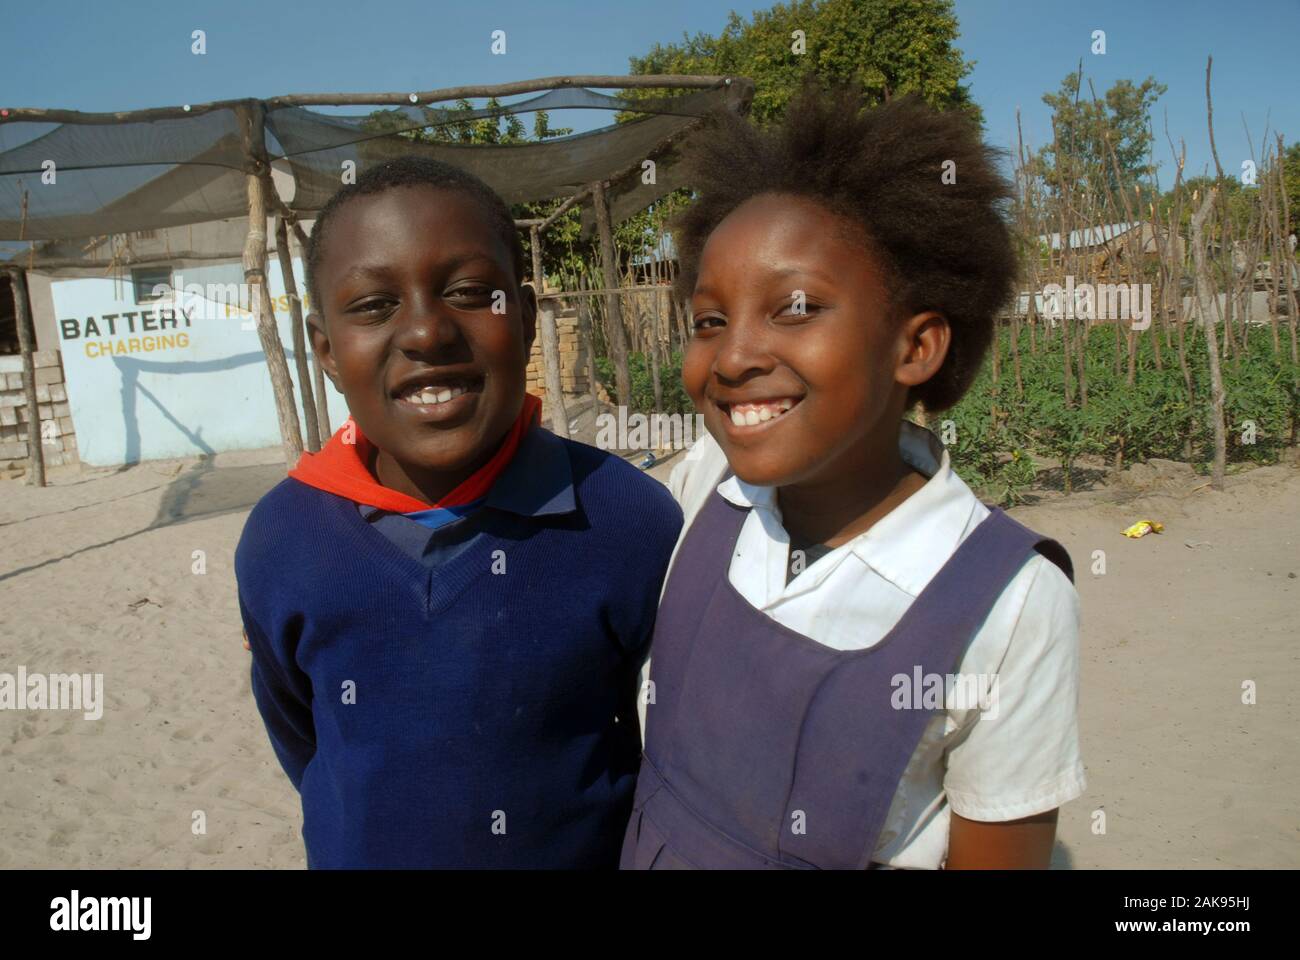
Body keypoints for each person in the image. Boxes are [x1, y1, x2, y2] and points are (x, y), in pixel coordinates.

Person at [622, 81, 1084, 870]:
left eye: (795, 308)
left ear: (916, 348)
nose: (733, 357)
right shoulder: (707, 490)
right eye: (709, 320)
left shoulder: (1006, 604)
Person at [236, 156, 681, 868]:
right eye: (375, 305)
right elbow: (303, 734)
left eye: (471, 292)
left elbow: (669, 746)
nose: (426, 333)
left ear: (528, 317)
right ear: (324, 349)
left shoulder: (628, 520)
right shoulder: (284, 540)